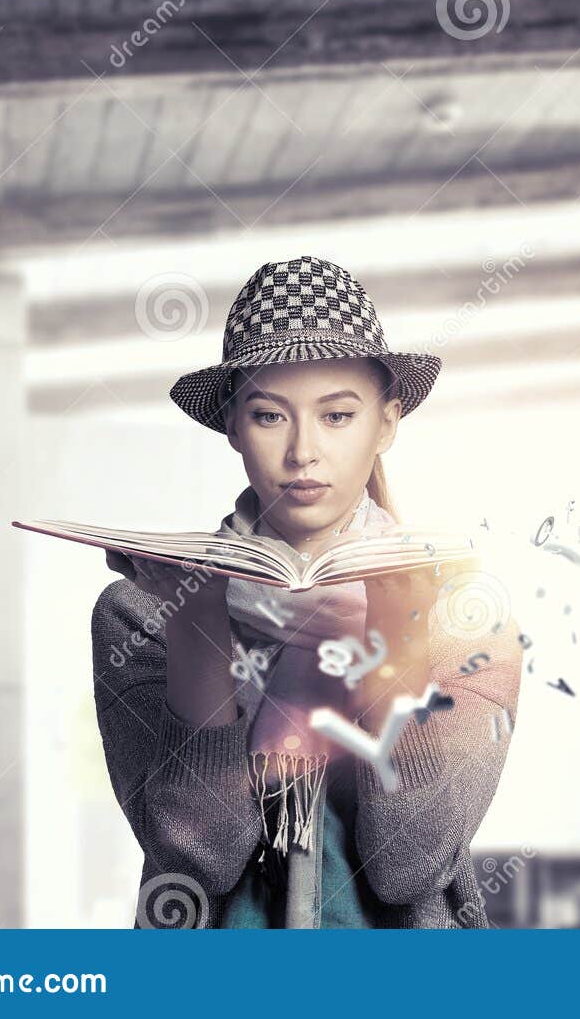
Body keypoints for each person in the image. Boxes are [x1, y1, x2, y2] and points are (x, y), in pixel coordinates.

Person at [89, 256, 521, 928]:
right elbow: (195, 856)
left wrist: (400, 634)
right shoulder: (142, 609)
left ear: (387, 423)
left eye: (338, 415)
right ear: (232, 425)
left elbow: (411, 859)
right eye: (269, 415)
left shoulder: (463, 615)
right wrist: (198, 622)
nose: (303, 452)